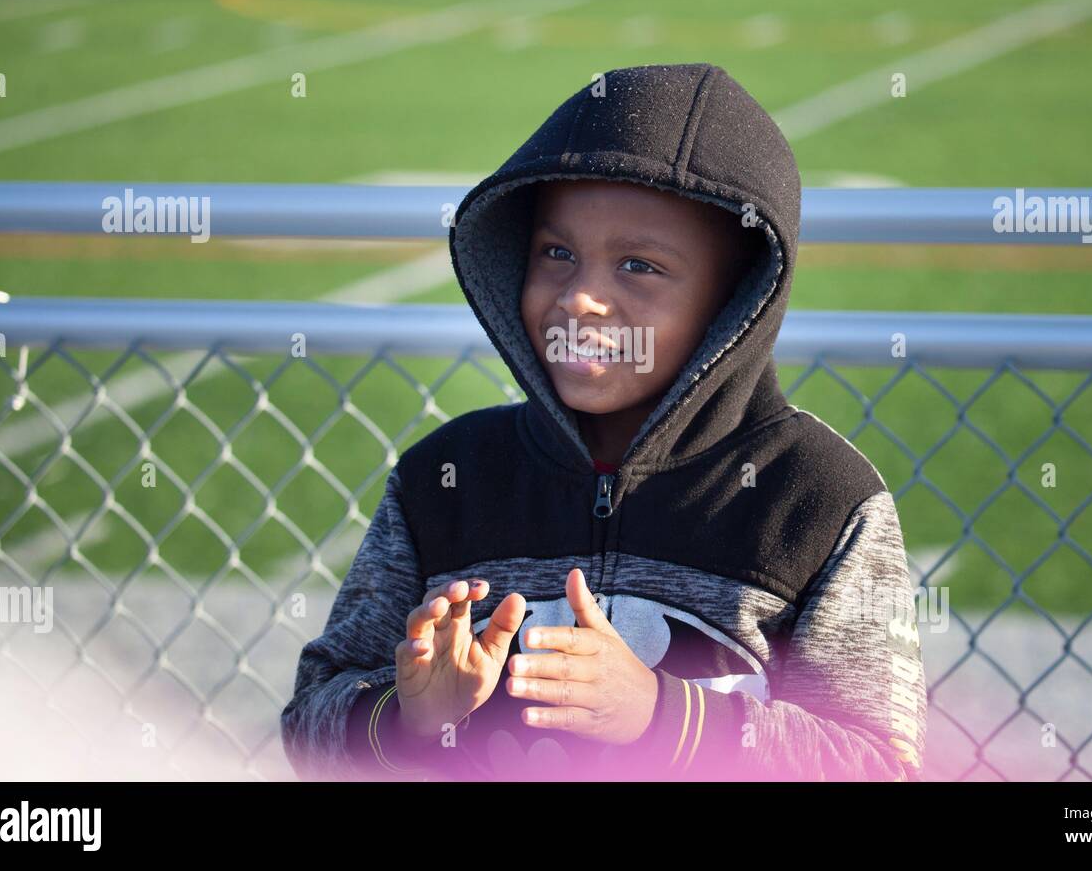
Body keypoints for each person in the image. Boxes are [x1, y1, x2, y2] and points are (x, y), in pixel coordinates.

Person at [280, 62, 927, 781]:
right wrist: (407, 719)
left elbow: (882, 763)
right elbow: (310, 723)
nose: (582, 298)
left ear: (733, 304)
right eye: (556, 254)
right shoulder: (445, 480)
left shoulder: (818, 498)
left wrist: (662, 715)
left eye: (639, 266)